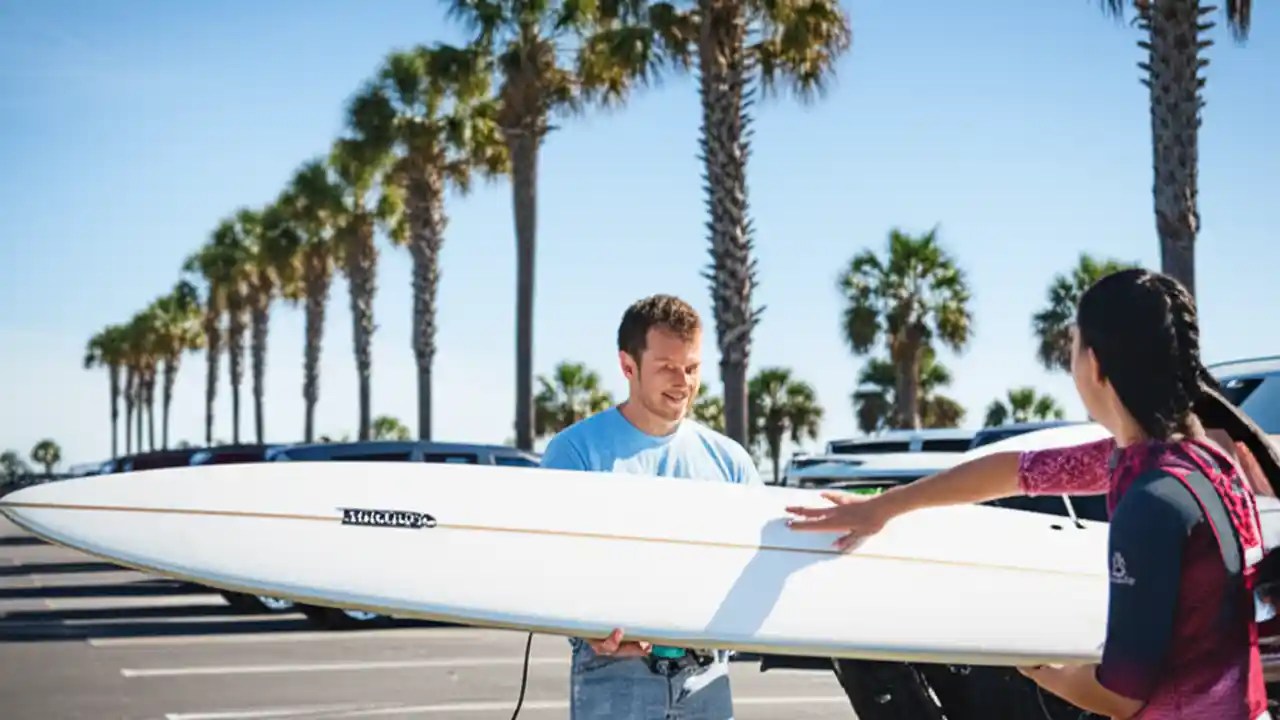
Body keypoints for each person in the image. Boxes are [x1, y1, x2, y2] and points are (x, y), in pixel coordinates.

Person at [788, 268, 1280, 719]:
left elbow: (1120, 695)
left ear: (1095, 365)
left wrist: (1034, 664)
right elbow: (1016, 471)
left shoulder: (1152, 499)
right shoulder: (1211, 459)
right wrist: (884, 507)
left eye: (1072, 347)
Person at [539, 293, 761, 720]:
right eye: (667, 368)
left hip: (706, 676)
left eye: (692, 368)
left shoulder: (730, 461)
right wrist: (585, 633)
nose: (683, 382)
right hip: (614, 672)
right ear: (628, 366)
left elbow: (754, 566)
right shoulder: (575, 452)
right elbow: (551, 567)